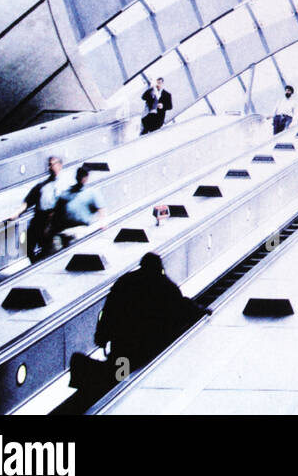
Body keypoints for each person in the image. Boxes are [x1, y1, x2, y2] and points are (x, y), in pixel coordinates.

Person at [70, 253, 208, 397]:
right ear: (159, 268)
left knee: (120, 377)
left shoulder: (124, 282)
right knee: (141, 378)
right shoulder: (165, 286)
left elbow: (109, 312)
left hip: (123, 346)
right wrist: (200, 310)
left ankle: (112, 395)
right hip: (151, 348)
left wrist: (102, 336)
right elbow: (181, 307)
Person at [48, 165, 105, 252]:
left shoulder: (92, 193)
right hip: (65, 230)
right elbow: (56, 212)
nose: (81, 178)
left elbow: (101, 210)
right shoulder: (66, 193)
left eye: (83, 176)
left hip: (81, 230)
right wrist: (49, 227)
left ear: (86, 178)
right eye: (79, 175)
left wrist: (102, 223)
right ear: (76, 177)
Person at [20, 156, 62, 263]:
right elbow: (28, 201)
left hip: (53, 220)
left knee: (48, 247)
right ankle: (35, 262)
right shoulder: (41, 186)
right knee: (27, 244)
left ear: (60, 165)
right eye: (49, 165)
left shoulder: (64, 185)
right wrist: (17, 212)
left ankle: (41, 261)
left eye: (53, 164)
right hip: (39, 219)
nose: (51, 167)